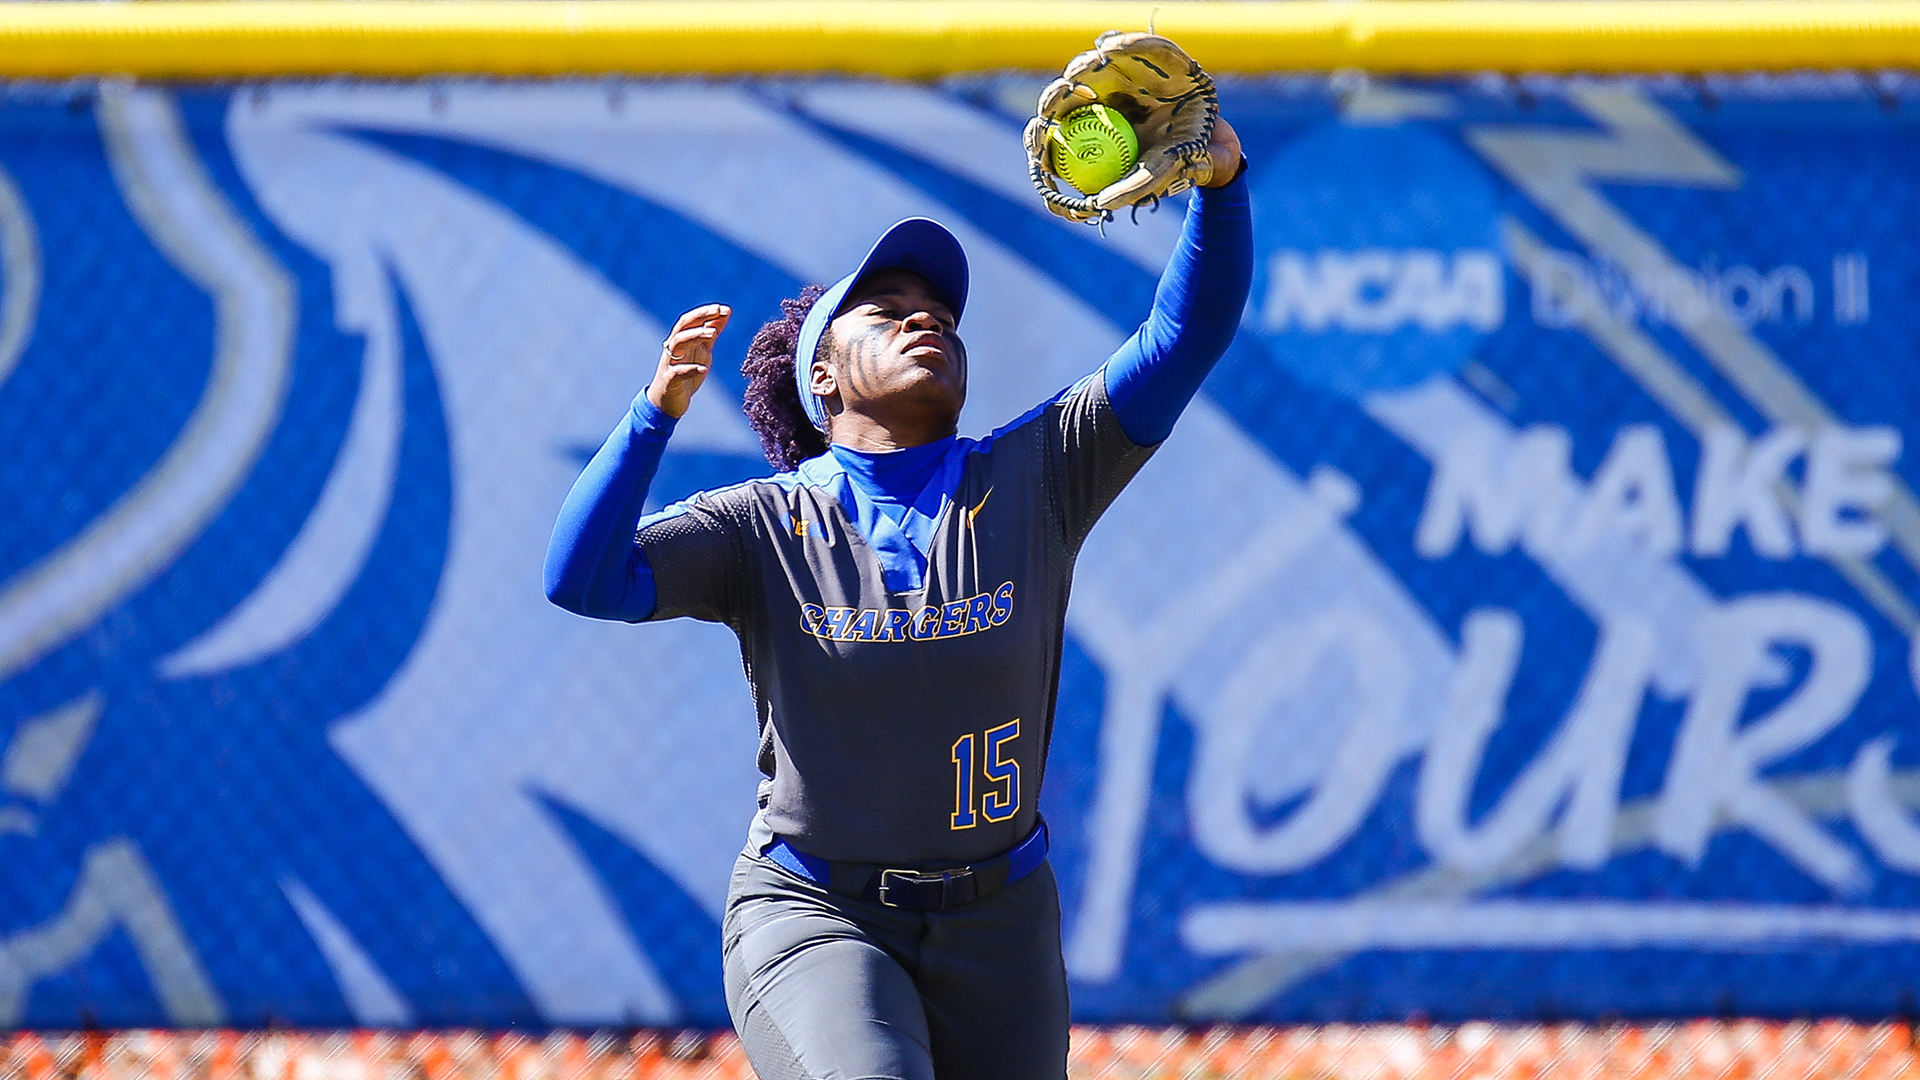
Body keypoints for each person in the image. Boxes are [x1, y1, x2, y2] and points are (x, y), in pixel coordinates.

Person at [545, 116, 1251, 1080]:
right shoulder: (764, 525)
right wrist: (647, 422)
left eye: (943, 316)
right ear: (821, 377)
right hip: (818, 913)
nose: (928, 319)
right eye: (887, 309)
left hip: (999, 924)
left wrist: (1220, 185)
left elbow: (1186, 333)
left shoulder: (1038, 473)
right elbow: (582, 579)